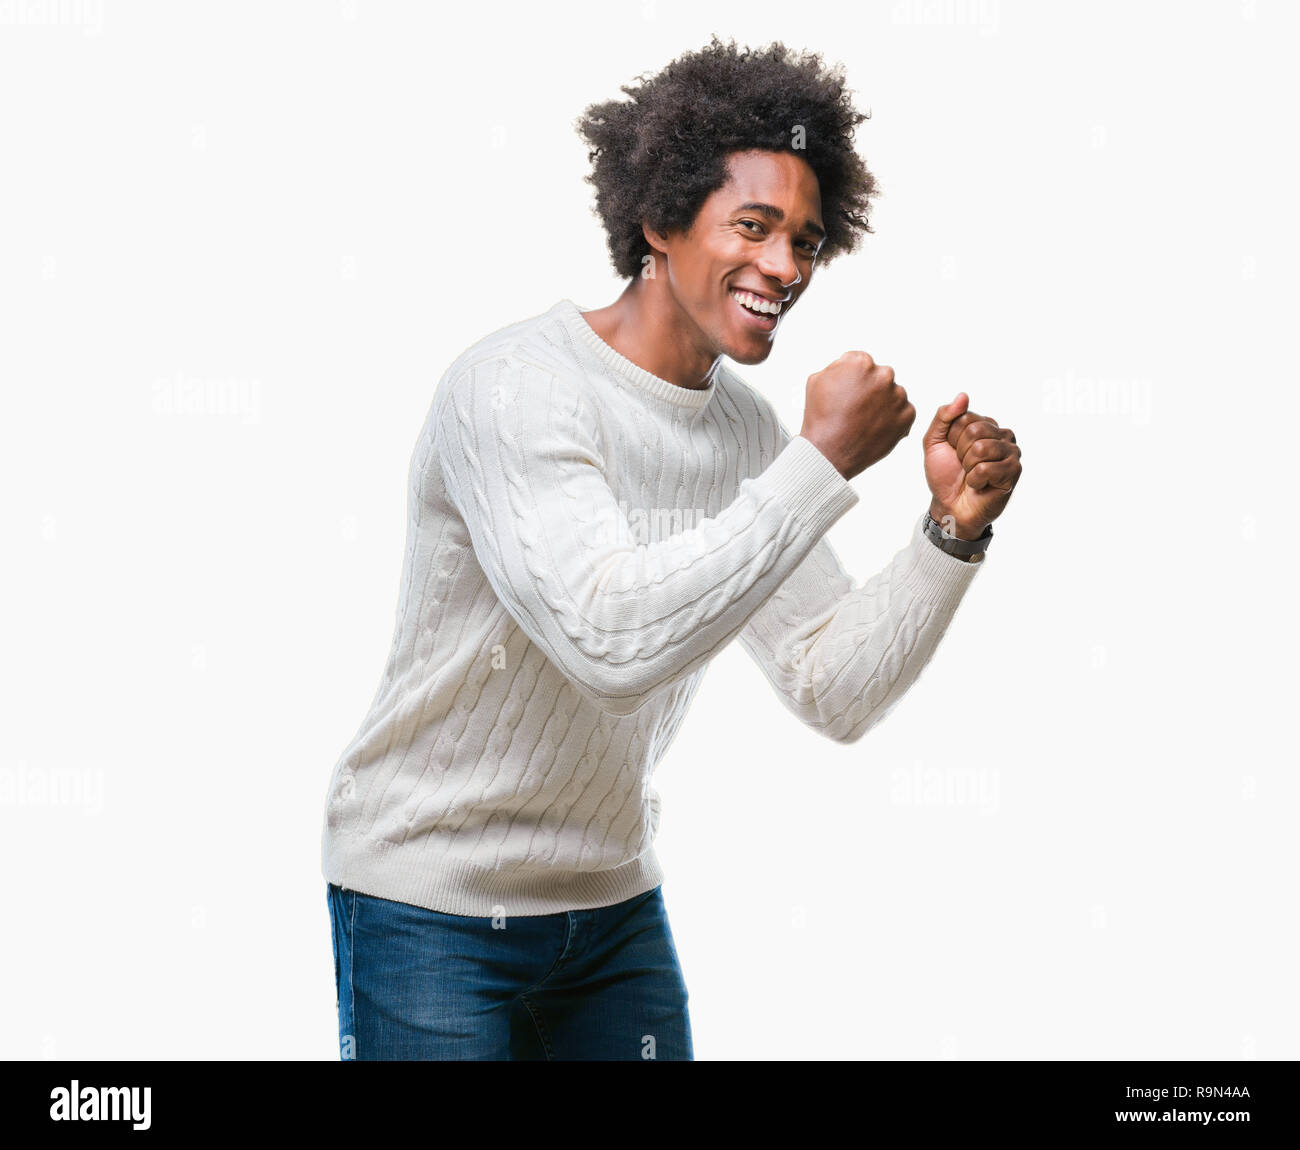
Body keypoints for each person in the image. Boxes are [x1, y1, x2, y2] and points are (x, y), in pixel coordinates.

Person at [321, 34, 1023, 1061]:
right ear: (657, 219)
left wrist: (948, 533)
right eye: (753, 226)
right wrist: (819, 462)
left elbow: (831, 686)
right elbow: (608, 643)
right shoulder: (514, 388)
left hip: (610, 906)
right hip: (429, 904)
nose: (784, 266)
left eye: (806, 242)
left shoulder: (741, 435)